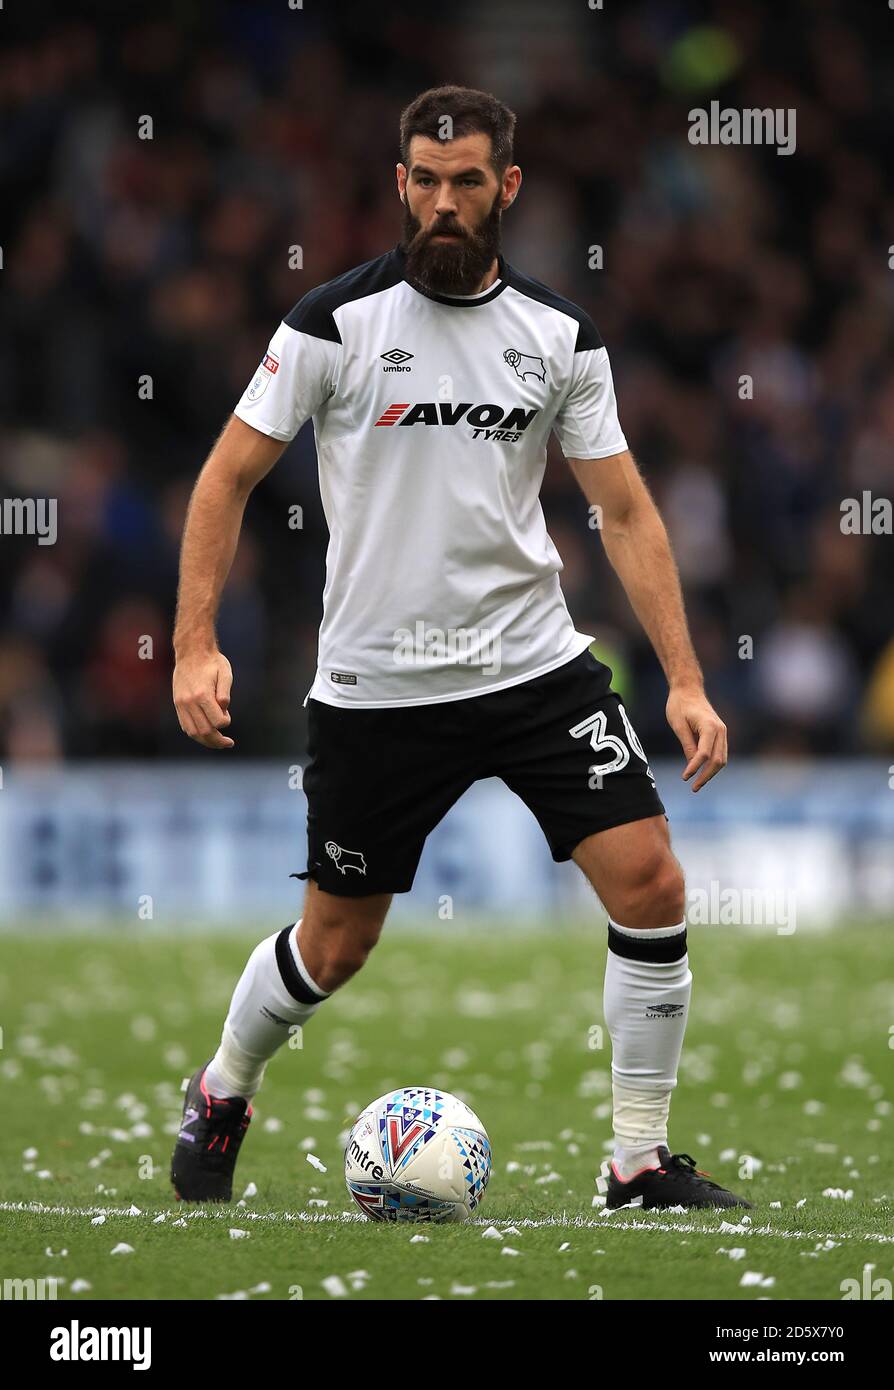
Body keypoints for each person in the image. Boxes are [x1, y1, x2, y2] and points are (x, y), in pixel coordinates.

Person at [170, 84, 746, 1212]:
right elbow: (226, 476)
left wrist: (683, 677)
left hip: (534, 666)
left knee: (652, 880)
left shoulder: (561, 337)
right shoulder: (331, 325)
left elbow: (624, 511)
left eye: (467, 183)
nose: (443, 203)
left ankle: (635, 1163)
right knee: (334, 949)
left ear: (507, 189)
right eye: (424, 182)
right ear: (399, 184)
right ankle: (225, 1084)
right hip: (379, 688)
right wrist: (193, 645)